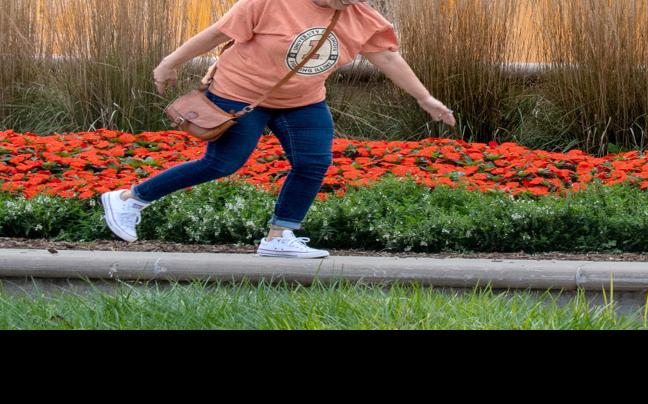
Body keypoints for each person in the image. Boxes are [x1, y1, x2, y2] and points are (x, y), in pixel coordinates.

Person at [99, 0, 456, 258]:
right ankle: (129, 199)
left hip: (303, 101)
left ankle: (279, 236)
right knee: (222, 164)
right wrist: (169, 63)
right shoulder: (270, 2)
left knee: (313, 163)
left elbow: (387, 56)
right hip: (239, 95)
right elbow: (216, 34)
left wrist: (424, 98)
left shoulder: (361, 15)